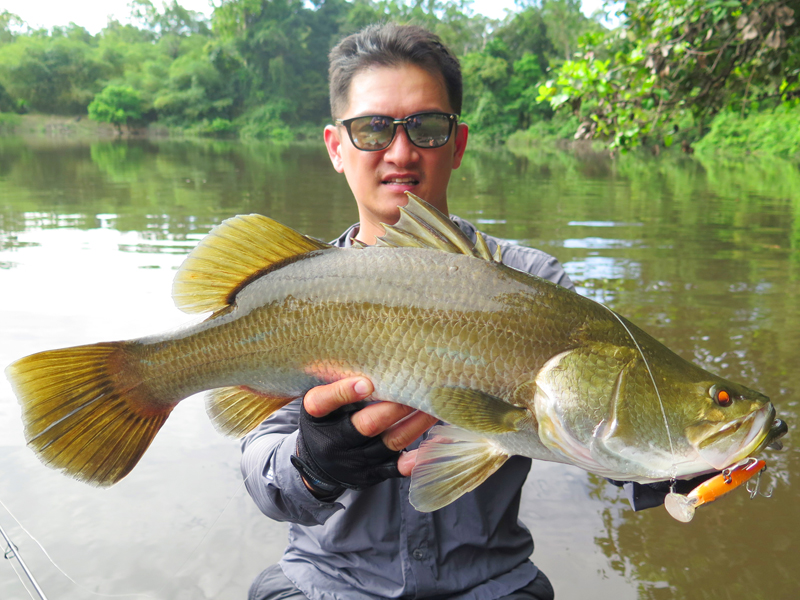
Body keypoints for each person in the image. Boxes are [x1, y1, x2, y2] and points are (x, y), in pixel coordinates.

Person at [241, 22, 593, 600]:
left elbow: (600, 415)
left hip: (492, 586)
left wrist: (675, 457)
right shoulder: (287, 292)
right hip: (328, 586)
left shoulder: (533, 283)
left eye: (427, 127)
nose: (401, 152)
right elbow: (265, 482)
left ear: (457, 144)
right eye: (373, 129)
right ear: (336, 147)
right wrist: (312, 462)